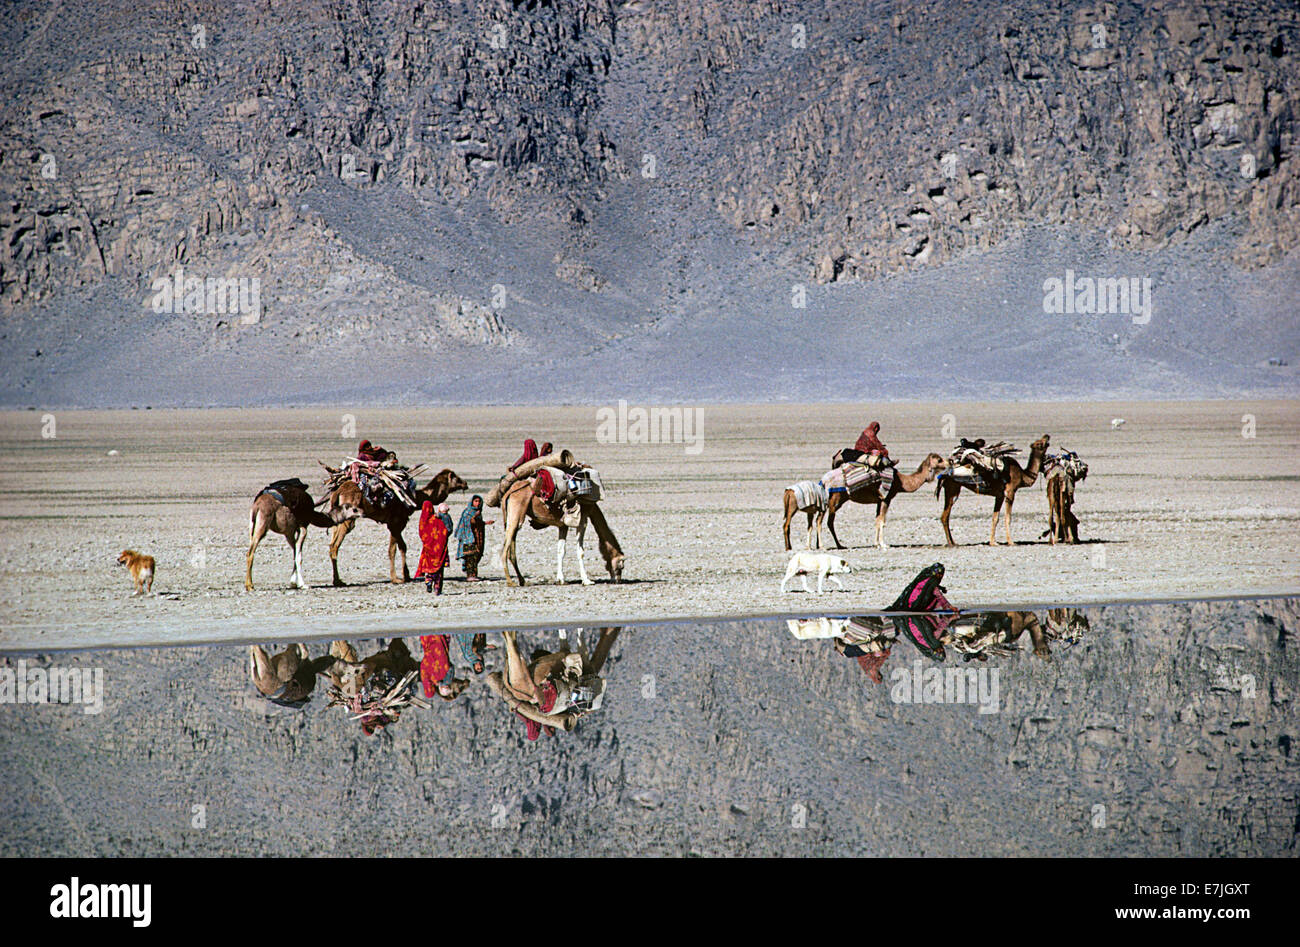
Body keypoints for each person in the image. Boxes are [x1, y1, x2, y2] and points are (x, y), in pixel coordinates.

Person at [455, 495, 492, 580]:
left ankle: (473, 575)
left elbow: (478, 523)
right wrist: (474, 516)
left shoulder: (479, 512)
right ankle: (470, 575)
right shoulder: (468, 512)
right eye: (476, 501)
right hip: (469, 537)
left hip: (477, 536)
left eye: (479, 501)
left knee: (476, 555)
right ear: (472, 502)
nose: (477, 503)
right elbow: (468, 523)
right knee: (470, 555)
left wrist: (485, 523)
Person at [416, 500, 449, 594]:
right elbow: (446, 532)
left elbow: (422, 534)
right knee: (439, 571)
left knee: (429, 569)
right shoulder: (438, 519)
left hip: (428, 548)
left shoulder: (422, 522)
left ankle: (428, 581)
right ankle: (437, 590)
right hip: (439, 549)